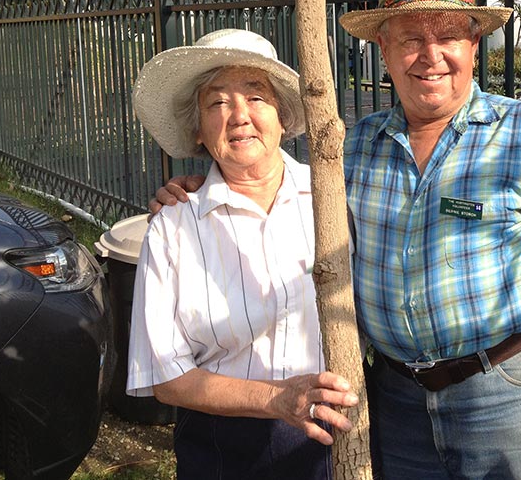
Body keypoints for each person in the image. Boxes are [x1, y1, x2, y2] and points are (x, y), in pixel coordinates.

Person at [153, 0, 521, 480]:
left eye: (448, 36)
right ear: (384, 49)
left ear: (474, 43)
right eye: (410, 39)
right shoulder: (356, 149)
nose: (430, 56)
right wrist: (205, 186)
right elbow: (274, 186)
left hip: (508, 394)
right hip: (397, 404)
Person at [128, 28, 358, 480]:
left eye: (256, 97)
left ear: (282, 115)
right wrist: (276, 399)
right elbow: (166, 378)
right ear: (197, 129)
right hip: (220, 446)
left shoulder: (334, 199)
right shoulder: (174, 226)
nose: (239, 116)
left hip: (333, 433)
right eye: (217, 102)